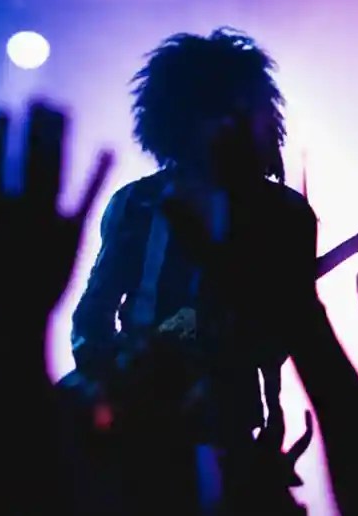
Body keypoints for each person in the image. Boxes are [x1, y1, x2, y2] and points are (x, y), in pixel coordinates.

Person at [68, 28, 318, 444]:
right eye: (208, 112)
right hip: (136, 422)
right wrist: (114, 386)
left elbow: (279, 345)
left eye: (234, 113)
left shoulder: (285, 214)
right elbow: (92, 315)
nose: (220, 128)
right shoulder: (138, 203)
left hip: (226, 422)